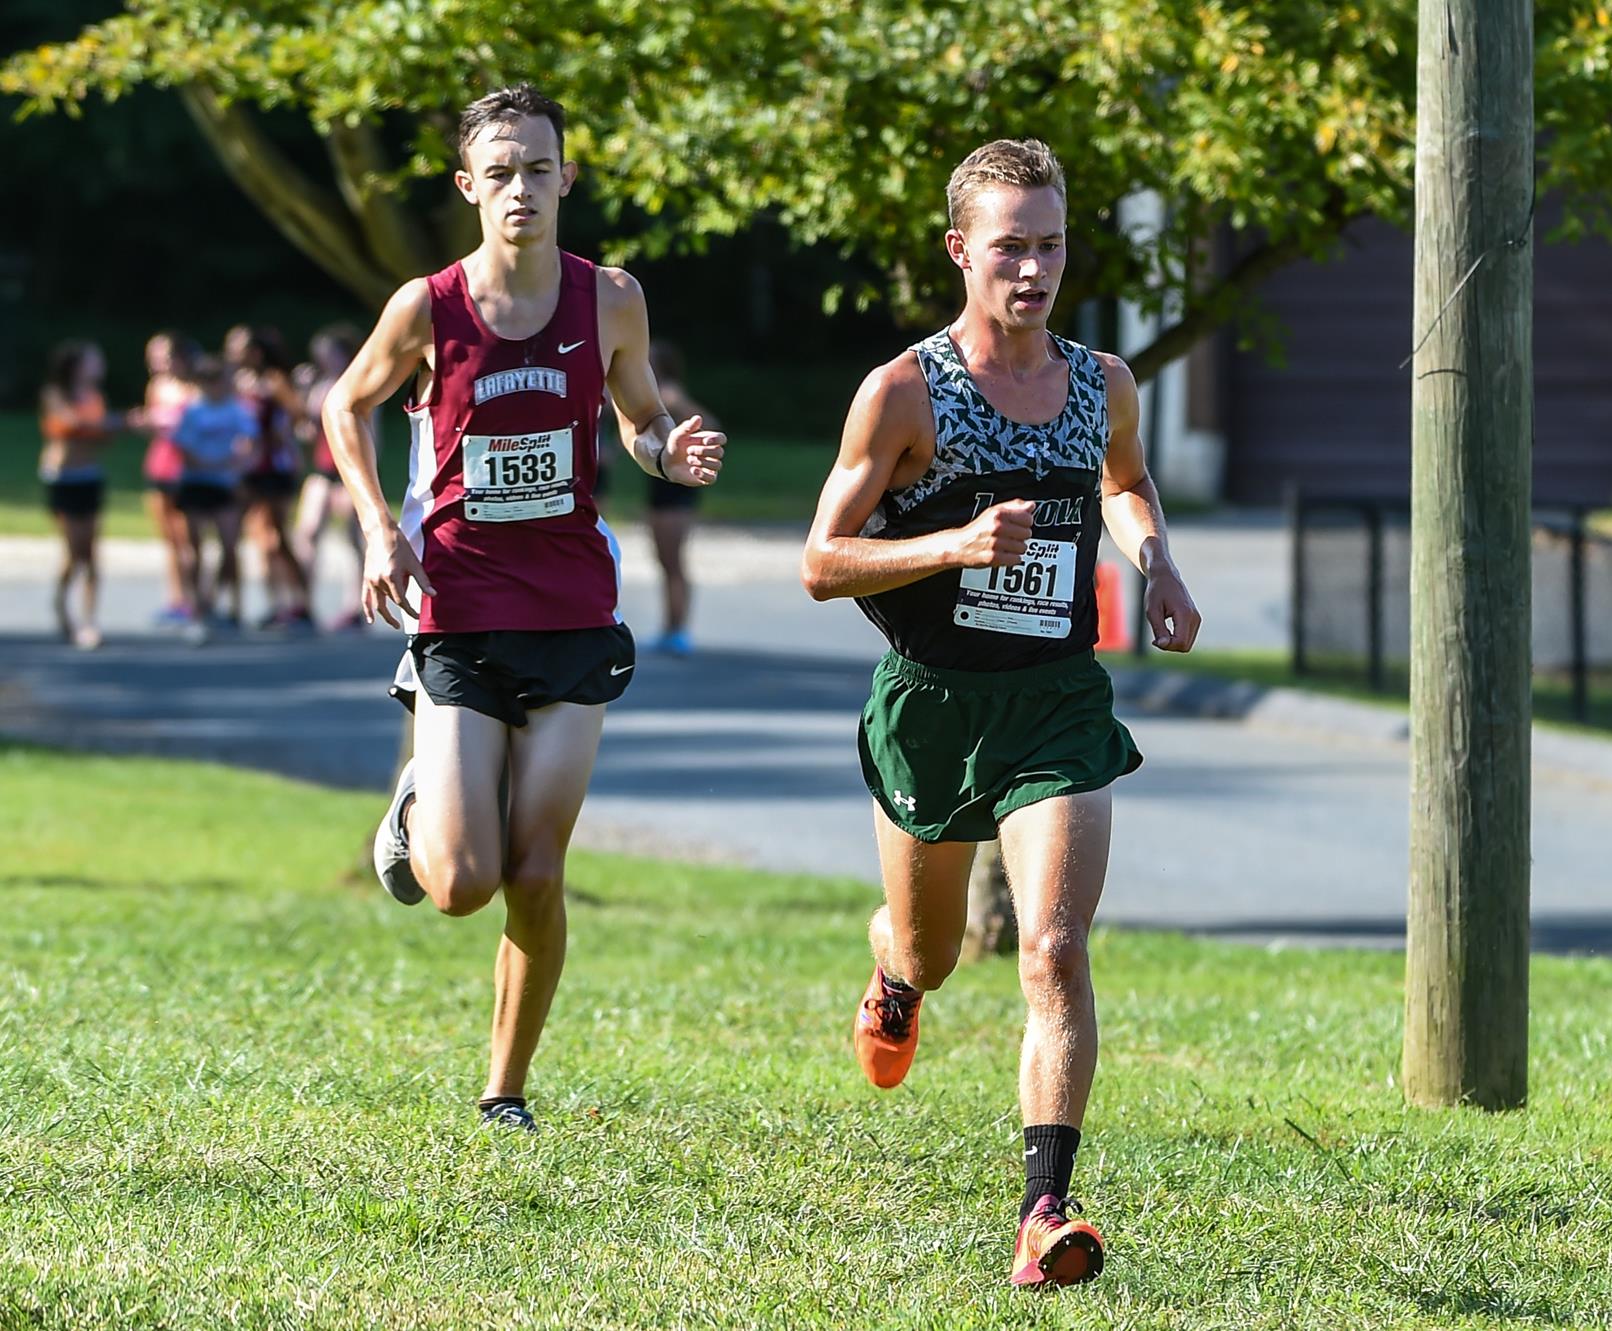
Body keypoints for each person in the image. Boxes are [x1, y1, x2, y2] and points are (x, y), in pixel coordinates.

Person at [801, 139, 1200, 1288]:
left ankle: (1044, 1208)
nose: (1032, 269)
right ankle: (888, 966)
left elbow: (1121, 481)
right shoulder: (902, 392)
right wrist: (954, 543)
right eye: (1009, 246)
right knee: (933, 953)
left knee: (1052, 945)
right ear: (958, 250)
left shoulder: (1102, 383)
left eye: (1051, 244)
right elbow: (822, 562)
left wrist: (1156, 563)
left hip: (1055, 701)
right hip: (930, 703)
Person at [321, 84, 724, 1132]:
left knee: (537, 868)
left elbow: (639, 417)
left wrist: (664, 449)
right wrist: (376, 525)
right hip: (455, 604)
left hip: (572, 605)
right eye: (497, 173)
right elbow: (343, 403)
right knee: (457, 882)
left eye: (537, 169)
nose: (519, 189)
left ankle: (505, 1088)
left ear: (565, 179)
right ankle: (418, 807)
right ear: (468, 187)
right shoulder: (429, 308)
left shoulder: (611, 299)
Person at [226, 324, 314, 631]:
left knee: (278, 536)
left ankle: (301, 602)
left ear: (254, 352)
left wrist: (281, 431)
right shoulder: (239, 382)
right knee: (248, 534)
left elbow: (298, 413)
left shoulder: (274, 381)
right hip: (248, 468)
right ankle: (270, 602)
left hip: (275, 467)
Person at [38, 340, 116, 650]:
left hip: (90, 476)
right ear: (76, 366)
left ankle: (88, 621)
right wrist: (107, 424)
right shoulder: (56, 394)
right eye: (92, 360)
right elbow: (67, 425)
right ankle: (60, 603)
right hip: (63, 478)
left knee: (92, 555)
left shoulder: (96, 398)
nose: (99, 365)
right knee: (75, 552)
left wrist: (106, 427)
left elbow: (100, 436)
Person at [291, 324, 367, 630]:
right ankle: (302, 601)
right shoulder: (320, 386)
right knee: (306, 532)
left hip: (347, 468)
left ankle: (355, 606)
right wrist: (301, 393)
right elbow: (307, 431)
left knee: (352, 537)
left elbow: (370, 433)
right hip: (322, 468)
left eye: (331, 355)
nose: (326, 361)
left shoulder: (358, 384)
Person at [173, 356, 255, 638]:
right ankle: (196, 605)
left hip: (225, 484)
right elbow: (182, 447)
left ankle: (230, 603)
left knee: (229, 545)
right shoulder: (193, 411)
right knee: (194, 549)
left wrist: (234, 464)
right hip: (196, 482)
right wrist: (210, 464)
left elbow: (249, 443)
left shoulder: (236, 410)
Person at [642, 339, 712, 655]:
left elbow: (709, 424)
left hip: (677, 493)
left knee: (673, 563)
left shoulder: (670, 393)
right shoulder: (646, 395)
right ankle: (669, 627)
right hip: (659, 488)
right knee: (664, 562)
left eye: (651, 361)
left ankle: (678, 630)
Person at [131, 331, 201, 628]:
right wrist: (144, 424)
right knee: (169, 538)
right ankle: (176, 598)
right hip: (160, 463)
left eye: (164, 356)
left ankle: (197, 598)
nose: (158, 362)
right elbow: (152, 423)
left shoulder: (196, 389)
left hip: (186, 467)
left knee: (189, 538)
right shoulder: (157, 386)